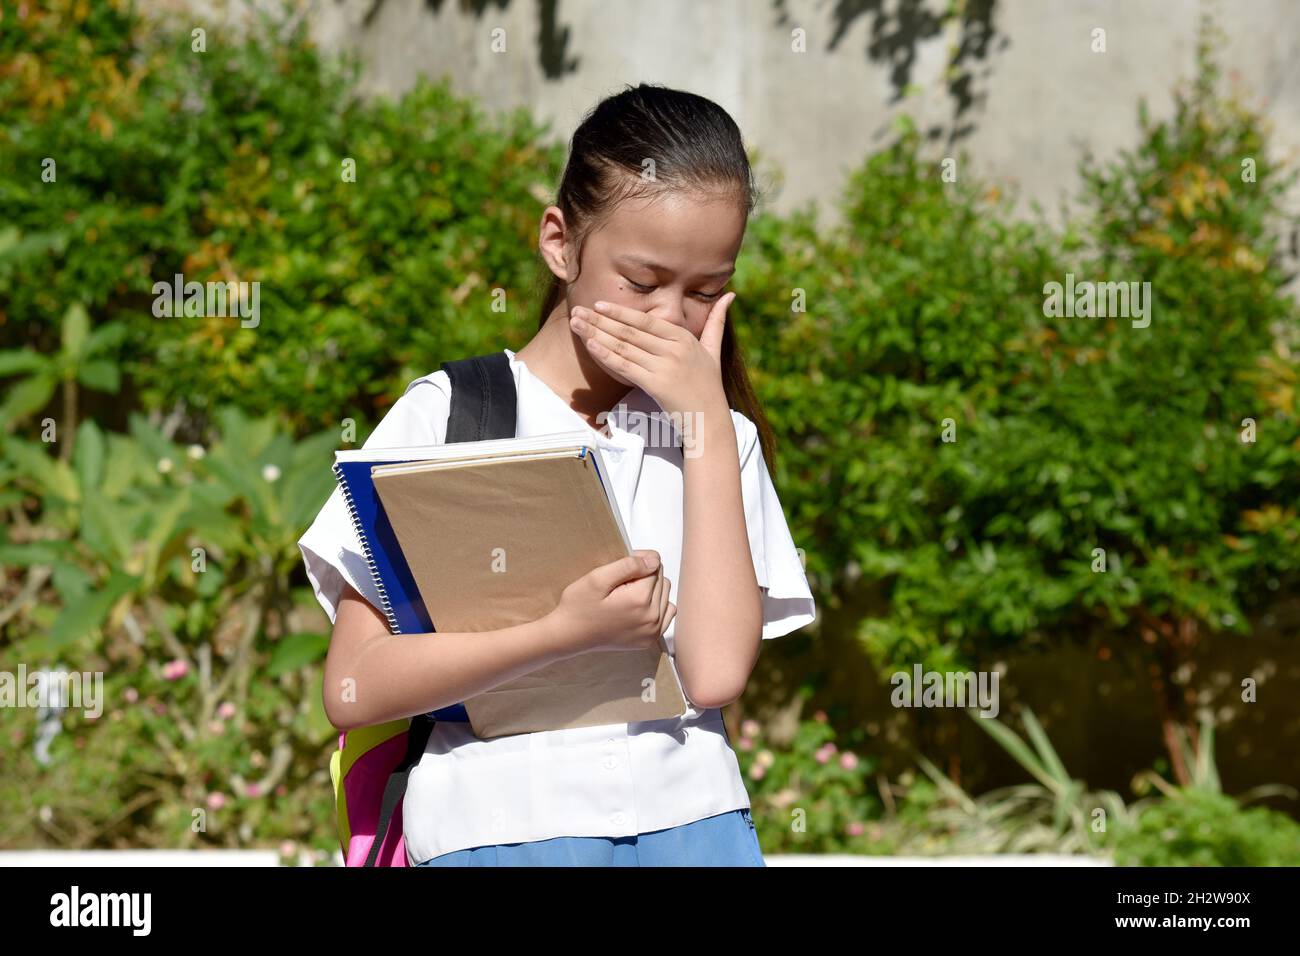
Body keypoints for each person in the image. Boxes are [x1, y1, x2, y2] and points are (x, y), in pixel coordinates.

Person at [298, 83, 816, 866]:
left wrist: (706, 428)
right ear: (559, 242)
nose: (671, 318)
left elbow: (713, 675)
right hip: (498, 832)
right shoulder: (450, 415)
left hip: (696, 830)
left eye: (706, 292)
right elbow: (354, 687)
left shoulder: (719, 434)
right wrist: (559, 636)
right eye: (641, 282)